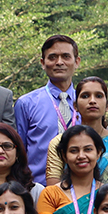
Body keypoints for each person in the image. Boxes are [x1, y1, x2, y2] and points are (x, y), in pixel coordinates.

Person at [13, 35, 81, 185]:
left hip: (82, 189)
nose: (59, 62)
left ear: (77, 62)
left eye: (65, 56)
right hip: (38, 188)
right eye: (52, 57)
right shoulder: (26, 104)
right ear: (43, 63)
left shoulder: (86, 102)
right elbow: (18, 153)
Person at [37, 125, 106, 214]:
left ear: (98, 153)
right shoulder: (50, 194)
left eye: (88, 149)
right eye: (74, 151)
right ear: (64, 155)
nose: (81, 156)